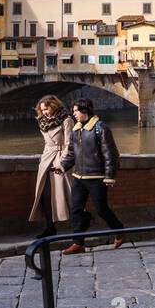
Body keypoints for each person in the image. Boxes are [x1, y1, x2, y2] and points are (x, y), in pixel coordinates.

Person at [59, 98, 125, 254]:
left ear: (85, 110)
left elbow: (110, 154)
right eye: (73, 111)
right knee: (75, 209)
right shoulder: (76, 130)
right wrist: (62, 166)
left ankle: (119, 230)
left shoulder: (100, 128)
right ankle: (78, 242)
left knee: (102, 209)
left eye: (76, 111)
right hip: (78, 176)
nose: (73, 114)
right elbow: (71, 152)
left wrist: (109, 176)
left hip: (96, 177)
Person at [29, 95, 72, 239]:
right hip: (47, 159)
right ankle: (50, 227)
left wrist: (62, 162)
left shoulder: (66, 120)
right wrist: (43, 159)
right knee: (44, 194)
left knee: (66, 194)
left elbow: (69, 144)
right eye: (42, 110)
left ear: (53, 106)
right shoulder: (42, 123)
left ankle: (79, 225)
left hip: (61, 159)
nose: (45, 112)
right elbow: (47, 144)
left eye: (46, 109)